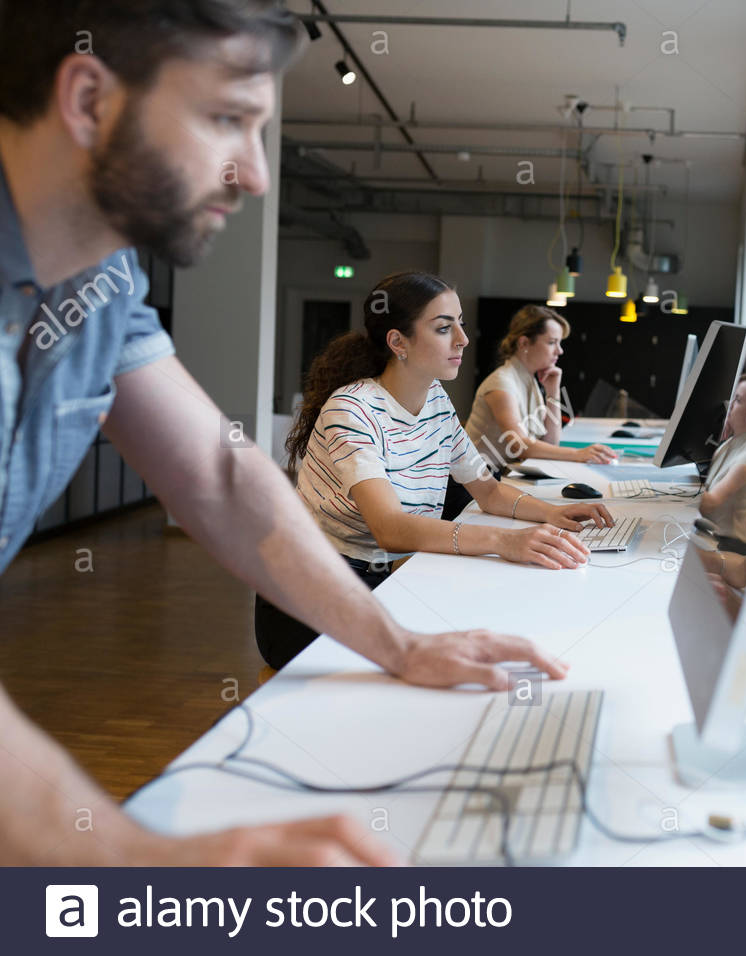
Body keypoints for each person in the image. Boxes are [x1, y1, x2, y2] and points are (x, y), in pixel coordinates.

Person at [0, 0, 564, 866]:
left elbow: (223, 478)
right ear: (86, 101)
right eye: (227, 119)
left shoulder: (101, 283)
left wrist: (399, 645)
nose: (255, 175)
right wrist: (128, 855)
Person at [256, 272, 613, 669]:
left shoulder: (435, 402)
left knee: (502, 619)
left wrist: (551, 513)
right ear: (398, 342)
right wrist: (504, 541)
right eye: (445, 328)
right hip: (311, 598)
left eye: (460, 323)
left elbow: (489, 491)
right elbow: (389, 528)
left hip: (381, 579)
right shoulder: (351, 410)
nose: (462, 338)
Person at [465, 304, 616, 468]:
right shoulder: (502, 383)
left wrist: (553, 392)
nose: (560, 351)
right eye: (552, 342)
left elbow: (551, 442)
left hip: (502, 475)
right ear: (524, 343)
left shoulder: (529, 381)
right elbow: (519, 445)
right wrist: (578, 454)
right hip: (476, 483)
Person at [699, 372, 746, 552]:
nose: (730, 405)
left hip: (731, 547)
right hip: (712, 536)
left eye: (738, 400)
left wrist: (677, 491)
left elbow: (711, 502)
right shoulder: (731, 444)